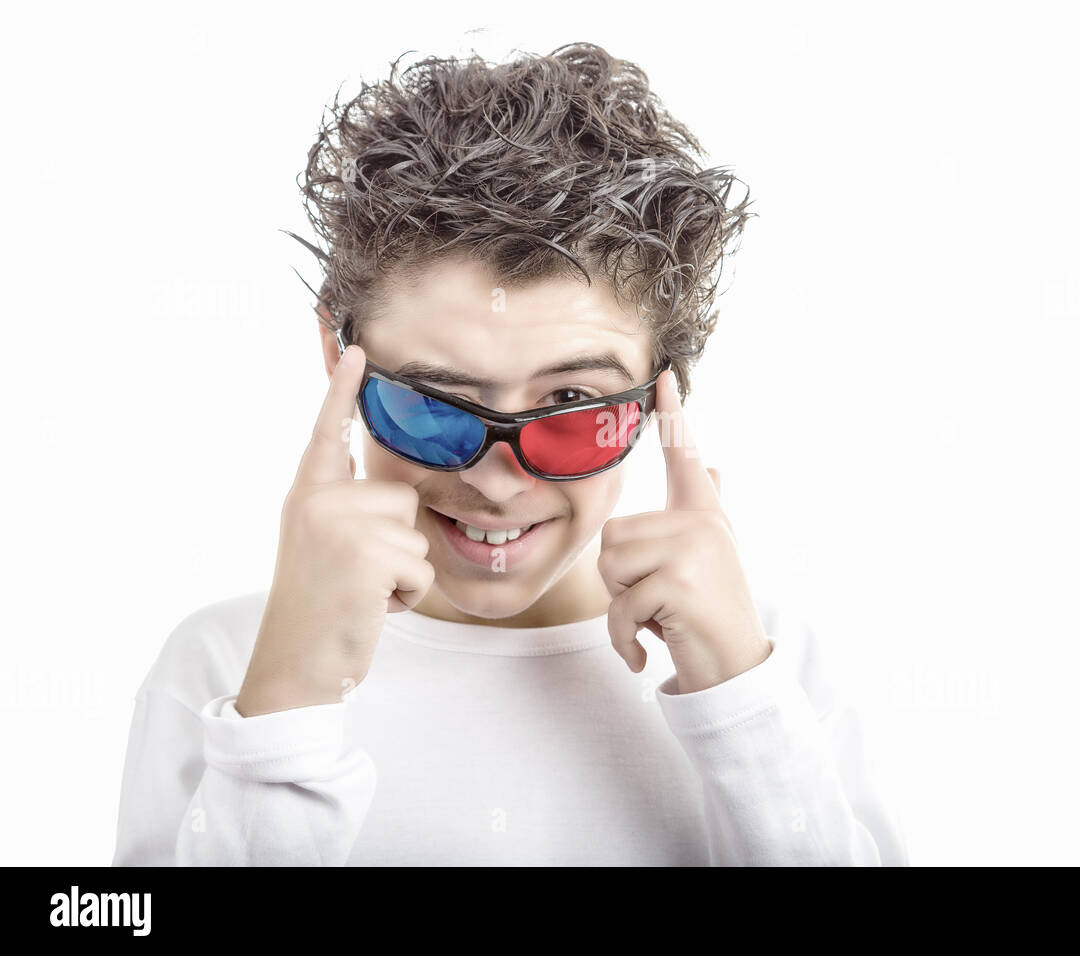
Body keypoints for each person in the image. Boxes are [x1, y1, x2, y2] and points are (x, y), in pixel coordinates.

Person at [111, 41, 909, 866]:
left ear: (664, 392)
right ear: (336, 358)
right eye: (432, 402)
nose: (496, 480)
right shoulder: (223, 666)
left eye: (569, 406)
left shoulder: (769, 665)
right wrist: (286, 706)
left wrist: (741, 707)